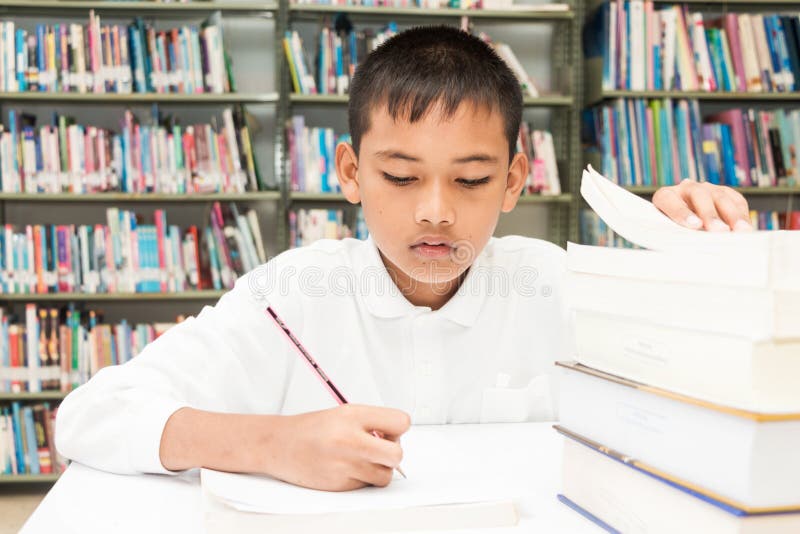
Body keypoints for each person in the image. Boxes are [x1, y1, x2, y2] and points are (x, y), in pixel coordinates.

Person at [55, 26, 752, 492]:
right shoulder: (292, 294)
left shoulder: (557, 285)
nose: (435, 211)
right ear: (351, 173)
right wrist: (274, 444)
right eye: (400, 176)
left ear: (514, 180)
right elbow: (90, 416)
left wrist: (696, 267)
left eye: (471, 180)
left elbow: (728, 398)